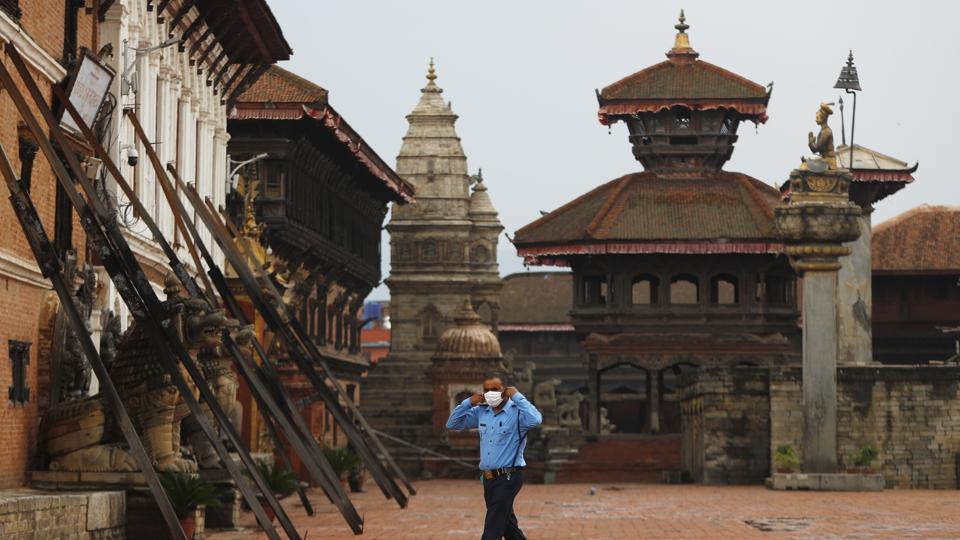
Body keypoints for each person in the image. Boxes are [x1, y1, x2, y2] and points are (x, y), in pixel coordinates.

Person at [446, 373, 542, 540]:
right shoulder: (481, 412)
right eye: (487, 389)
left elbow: (536, 420)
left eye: (495, 389)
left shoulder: (517, 413)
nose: (491, 392)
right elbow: (452, 424)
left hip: (509, 476)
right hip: (488, 479)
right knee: (508, 526)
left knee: (493, 528)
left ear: (504, 389)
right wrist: (468, 402)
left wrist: (517, 396)